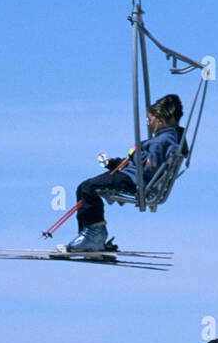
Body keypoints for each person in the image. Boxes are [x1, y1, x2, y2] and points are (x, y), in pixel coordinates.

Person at [60, 94, 185, 252]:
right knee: (84, 188)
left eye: (150, 119)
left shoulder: (162, 141)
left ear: (160, 120)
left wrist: (136, 154)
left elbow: (149, 168)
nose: (147, 123)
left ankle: (95, 237)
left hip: (134, 180)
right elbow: (144, 162)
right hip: (131, 176)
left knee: (88, 188)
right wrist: (115, 163)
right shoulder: (163, 139)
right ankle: (87, 236)